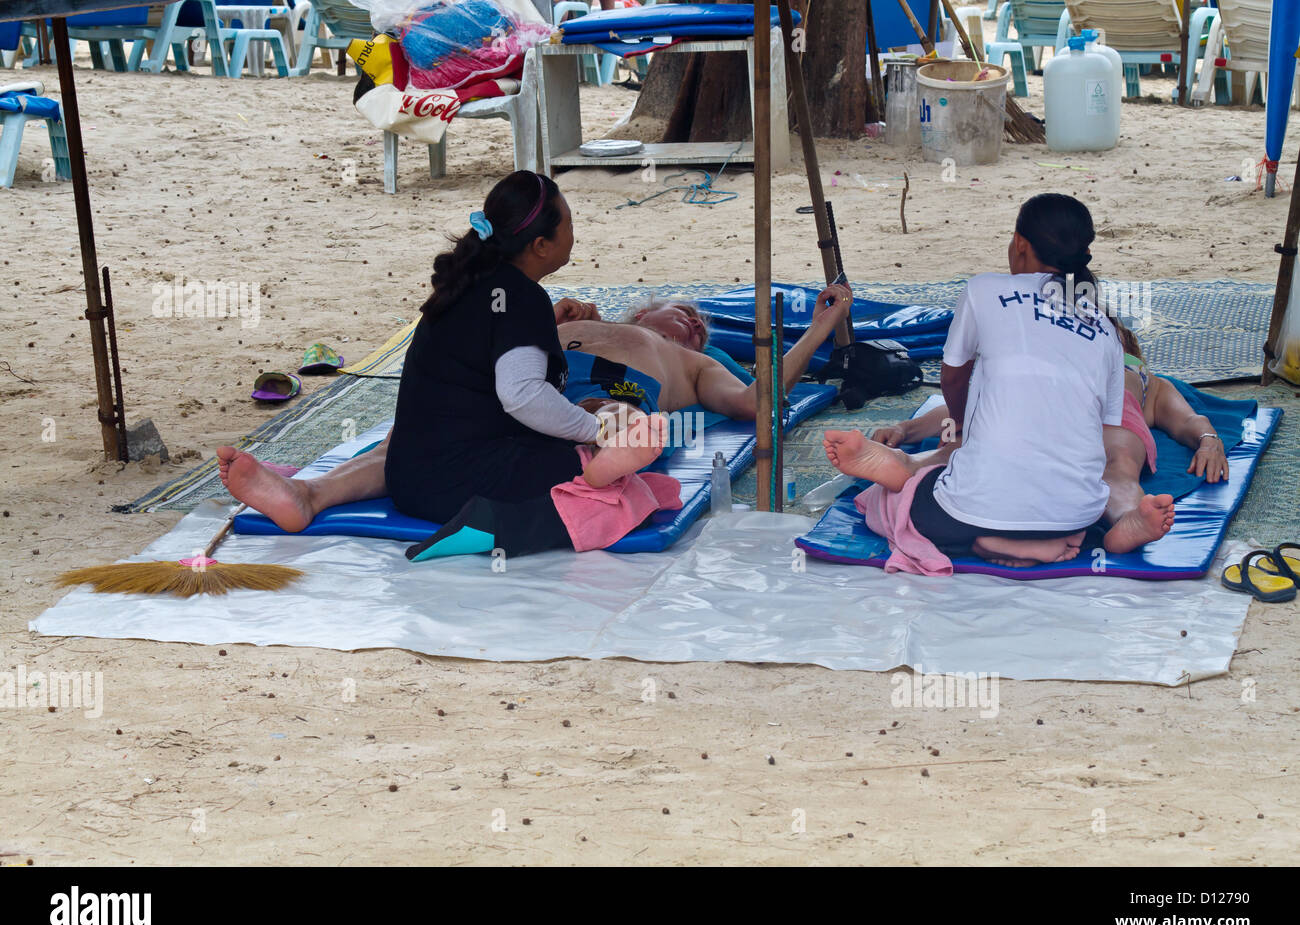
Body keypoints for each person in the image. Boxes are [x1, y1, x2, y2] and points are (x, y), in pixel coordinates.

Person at [219, 171, 851, 544]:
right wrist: (591, 424)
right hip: (465, 474)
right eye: (682, 310)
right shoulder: (538, 307)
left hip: (427, 465)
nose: (692, 321)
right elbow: (522, 393)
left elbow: (755, 402)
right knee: (603, 463)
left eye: (699, 325)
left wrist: (820, 327)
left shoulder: (479, 284)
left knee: (441, 433)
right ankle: (308, 493)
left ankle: (309, 494)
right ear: (543, 244)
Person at [824, 193, 1165, 567]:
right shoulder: (1103, 328)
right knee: (1072, 497)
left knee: (892, 500)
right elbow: (1102, 426)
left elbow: (953, 378)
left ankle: (914, 476)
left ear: (1019, 243)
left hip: (969, 510)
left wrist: (962, 426)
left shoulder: (984, 289)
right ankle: (1038, 540)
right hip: (1073, 515)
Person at [835, 319, 1229, 554]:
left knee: (977, 442)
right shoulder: (1143, 381)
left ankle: (911, 464)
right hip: (1092, 413)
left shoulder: (1138, 376)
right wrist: (904, 429)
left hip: (1060, 411)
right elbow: (1188, 421)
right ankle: (1125, 517)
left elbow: (960, 411)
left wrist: (1209, 439)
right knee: (1117, 467)